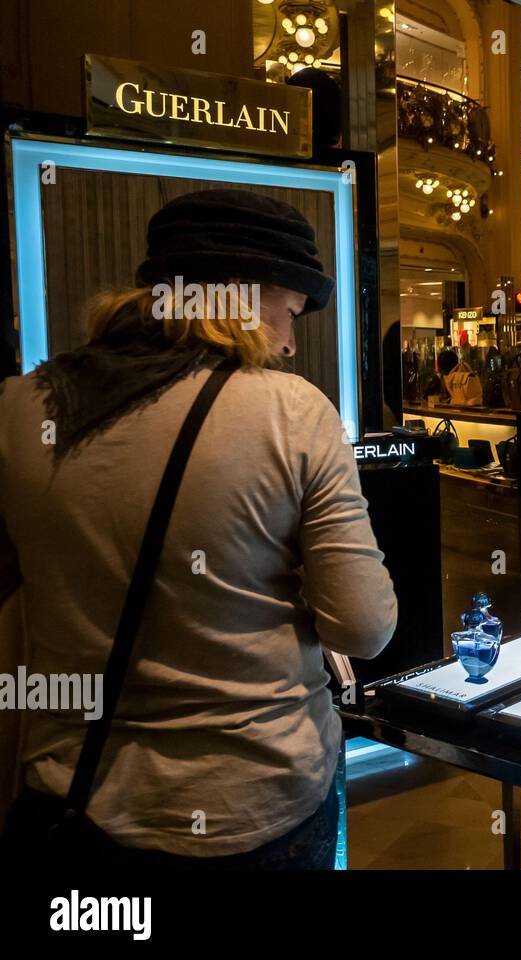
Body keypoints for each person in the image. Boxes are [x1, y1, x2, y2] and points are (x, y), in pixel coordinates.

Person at [0, 189, 397, 868]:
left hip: (73, 797)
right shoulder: (291, 412)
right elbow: (364, 626)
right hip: (255, 801)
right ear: (243, 295)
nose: (291, 340)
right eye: (290, 311)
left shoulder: (16, 407)